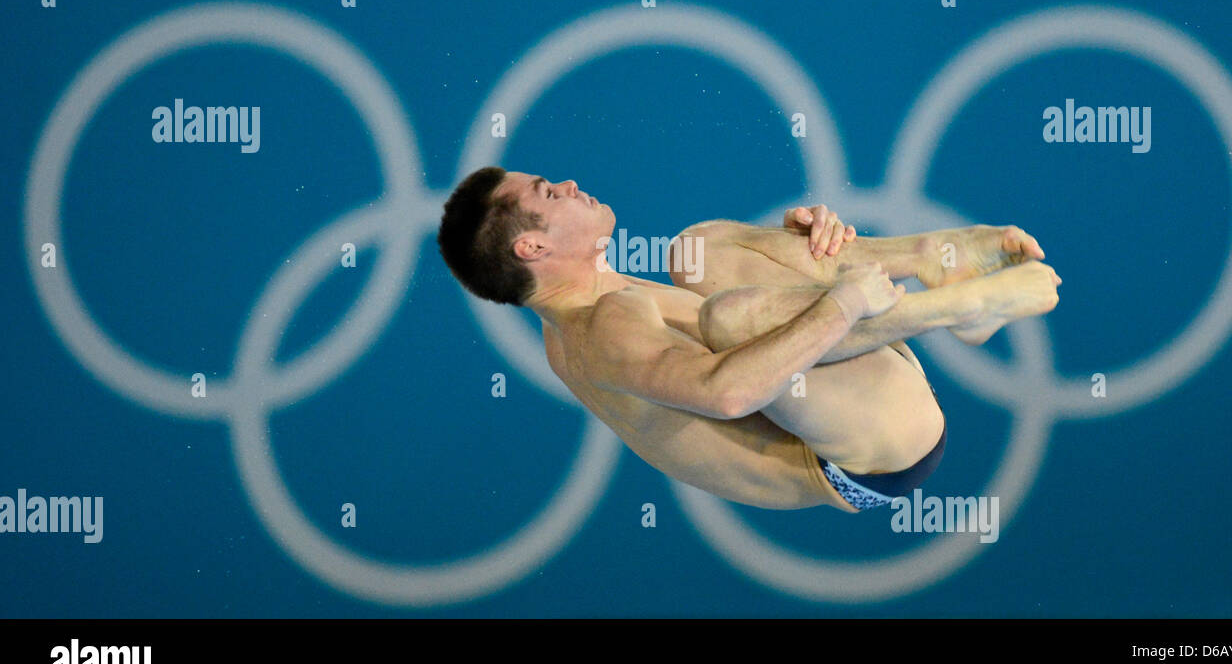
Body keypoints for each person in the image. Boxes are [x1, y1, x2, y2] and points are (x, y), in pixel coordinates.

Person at [437, 167, 1061, 512]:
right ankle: (954, 307)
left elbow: (771, 330)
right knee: (729, 323)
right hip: (866, 455)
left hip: (852, 397)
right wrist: (841, 301)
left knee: (697, 250)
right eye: (549, 193)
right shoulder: (599, 331)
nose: (570, 183)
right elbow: (730, 393)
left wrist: (799, 252)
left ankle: (932, 258)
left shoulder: (597, 300)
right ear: (534, 248)